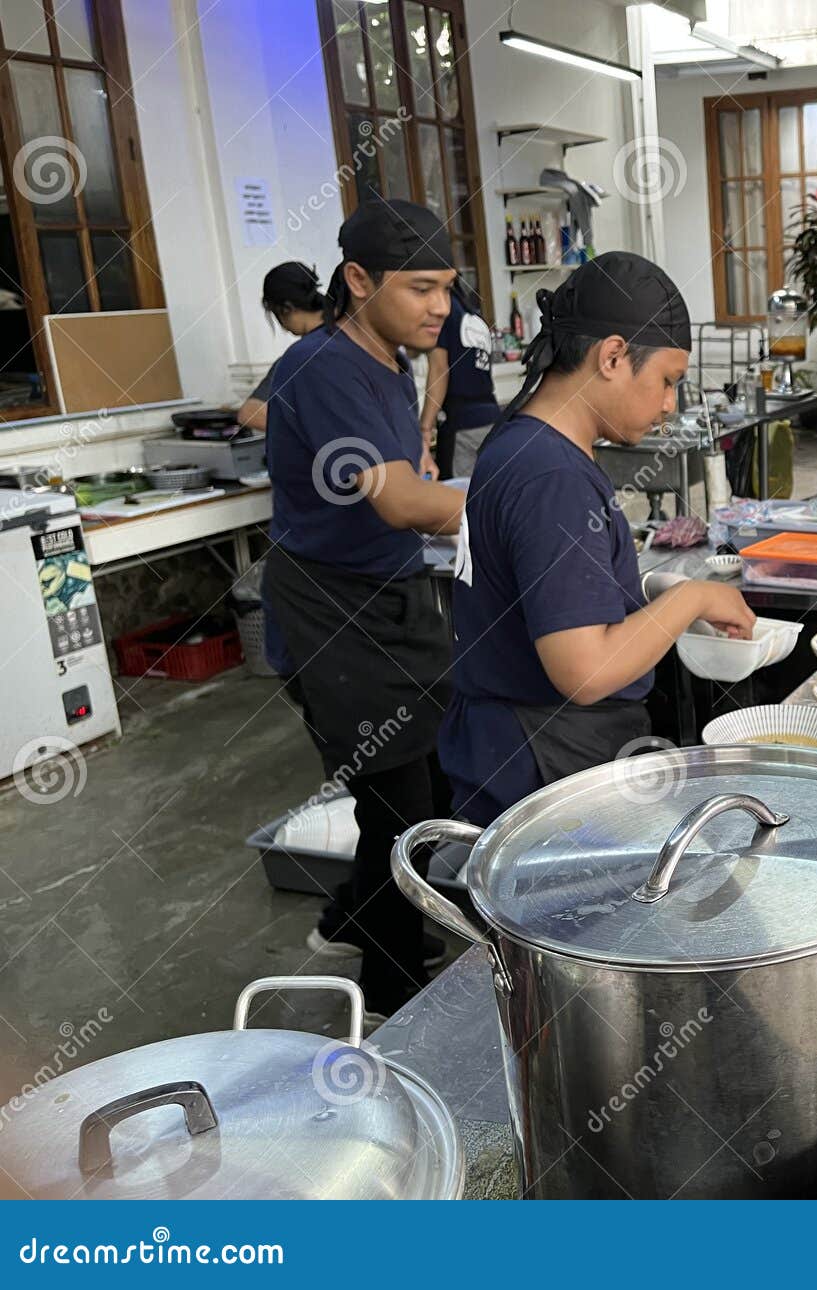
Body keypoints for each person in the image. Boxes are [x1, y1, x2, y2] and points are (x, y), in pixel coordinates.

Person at [438, 252, 754, 826]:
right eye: (666, 381)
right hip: (539, 758)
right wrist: (692, 598)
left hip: (507, 741)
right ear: (612, 356)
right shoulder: (551, 474)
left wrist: (644, 587)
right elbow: (583, 670)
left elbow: (539, 590)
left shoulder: (521, 441)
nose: (667, 406)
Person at [264, 199, 467, 1024]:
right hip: (330, 611)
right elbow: (396, 501)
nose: (439, 309)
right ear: (357, 280)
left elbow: (403, 469)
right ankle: (394, 998)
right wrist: (499, 504)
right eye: (421, 288)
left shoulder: (391, 360)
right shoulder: (322, 370)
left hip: (394, 593)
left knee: (432, 775)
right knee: (398, 806)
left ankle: (346, 915)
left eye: (447, 290)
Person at [421, 278, 500, 478]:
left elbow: (440, 371)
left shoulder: (443, 315)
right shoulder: (474, 316)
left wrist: (424, 429)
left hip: (462, 426)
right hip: (491, 420)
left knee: (459, 499)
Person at [238, 262, 325, 432]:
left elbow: (250, 413)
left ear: (286, 308)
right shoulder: (358, 332)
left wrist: (313, 434)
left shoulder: (298, 357)